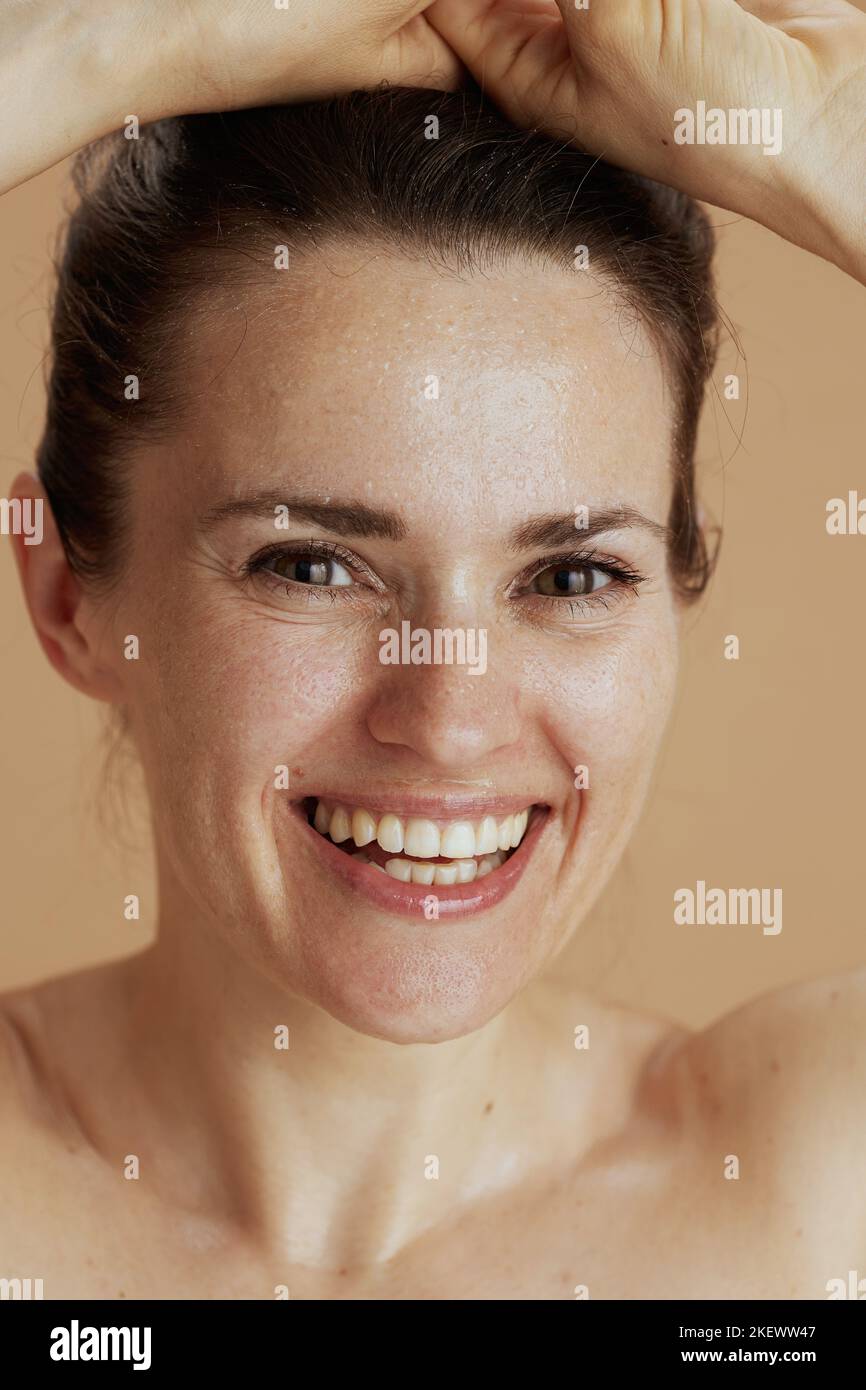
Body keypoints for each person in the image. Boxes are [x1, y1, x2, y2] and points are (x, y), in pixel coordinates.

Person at [1, 1, 864, 1300]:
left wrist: (827, 135)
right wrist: (81, 52)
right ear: (71, 592)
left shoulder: (815, 1187)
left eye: (570, 574)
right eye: (309, 564)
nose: (450, 715)